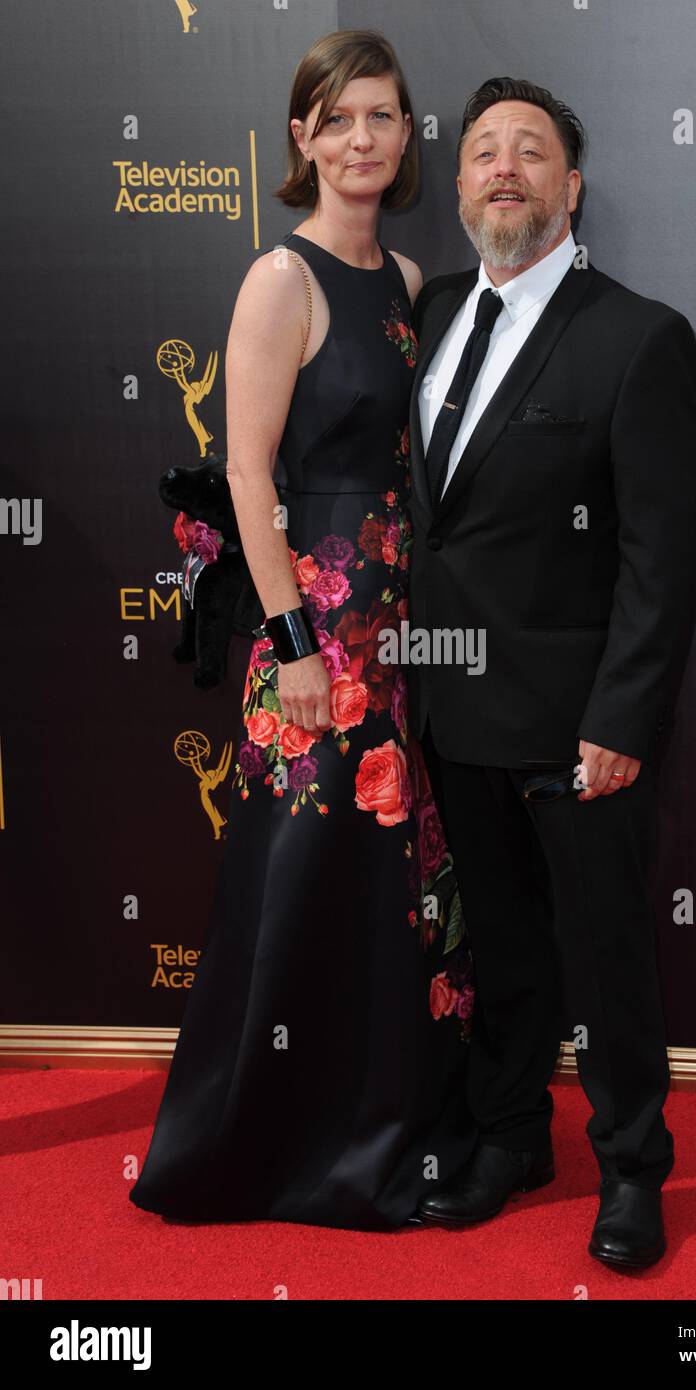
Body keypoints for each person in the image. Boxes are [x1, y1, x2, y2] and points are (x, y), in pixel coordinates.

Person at [129, 30, 477, 1231]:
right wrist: (290, 650)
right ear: (303, 138)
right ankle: (249, 1150)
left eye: (383, 117)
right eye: (339, 120)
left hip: (393, 627)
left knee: (382, 885)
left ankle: (371, 1135)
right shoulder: (282, 280)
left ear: (405, 136)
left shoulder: (412, 283)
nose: (363, 140)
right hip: (311, 625)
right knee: (294, 874)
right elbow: (245, 472)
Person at [406, 77, 696, 1269]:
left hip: (580, 727)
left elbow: (662, 554)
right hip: (455, 712)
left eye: (532, 151)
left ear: (570, 189)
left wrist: (622, 716)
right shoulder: (428, 314)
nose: (504, 167)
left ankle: (634, 1166)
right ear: (465, 180)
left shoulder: (639, 336)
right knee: (505, 952)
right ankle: (512, 1137)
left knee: (609, 955)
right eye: (484, 150)